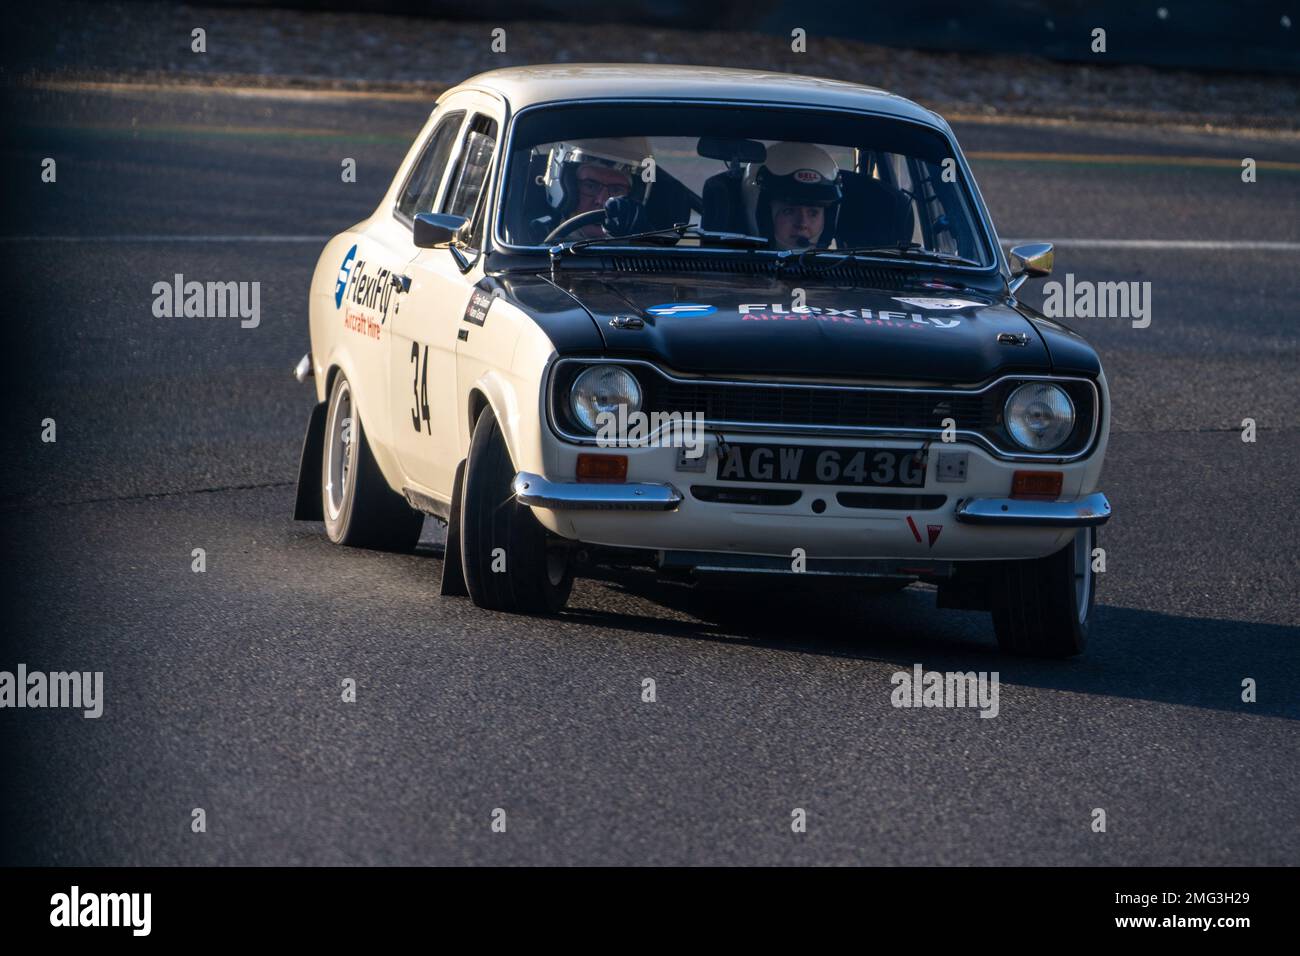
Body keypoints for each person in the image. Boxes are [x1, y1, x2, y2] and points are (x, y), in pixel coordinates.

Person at [534, 137, 653, 240]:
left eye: (616, 190)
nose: (602, 201)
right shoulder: (533, 245)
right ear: (568, 188)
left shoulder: (651, 256)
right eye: (590, 186)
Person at [747, 142, 842, 250]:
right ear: (761, 213)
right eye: (789, 211)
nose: (802, 224)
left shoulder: (844, 264)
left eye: (813, 213)